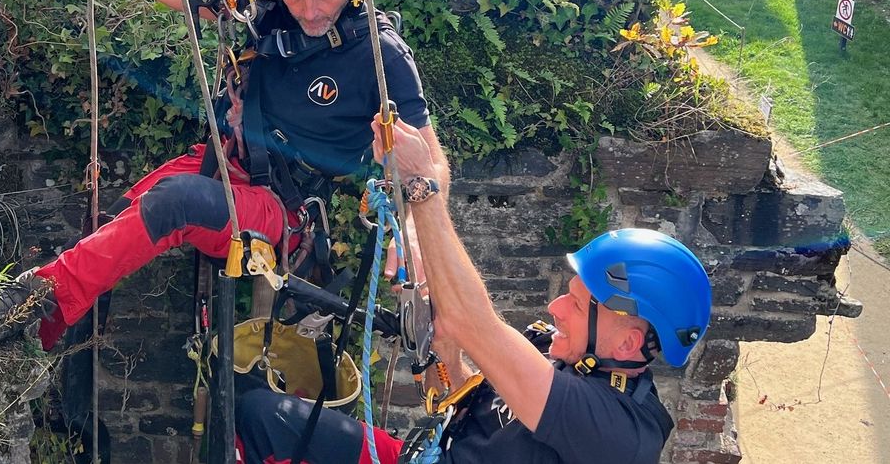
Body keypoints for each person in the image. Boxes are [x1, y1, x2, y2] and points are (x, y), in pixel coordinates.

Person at [0, 0, 446, 350]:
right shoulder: (262, 4)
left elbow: (430, 161)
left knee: (176, 204)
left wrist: (416, 233)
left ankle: (27, 301)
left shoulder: (379, 55)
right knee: (125, 217)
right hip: (222, 160)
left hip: (283, 209)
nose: (308, 11)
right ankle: (37, 335)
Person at [235, 120, 713, 464]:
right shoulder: (555, 351)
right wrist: (442, 352)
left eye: (579, 304)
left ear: (629, 341)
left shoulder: (616, 433)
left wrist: (423, 188)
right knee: (261, 414)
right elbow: (462, 405)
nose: (555, 308)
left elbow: (472, 320)